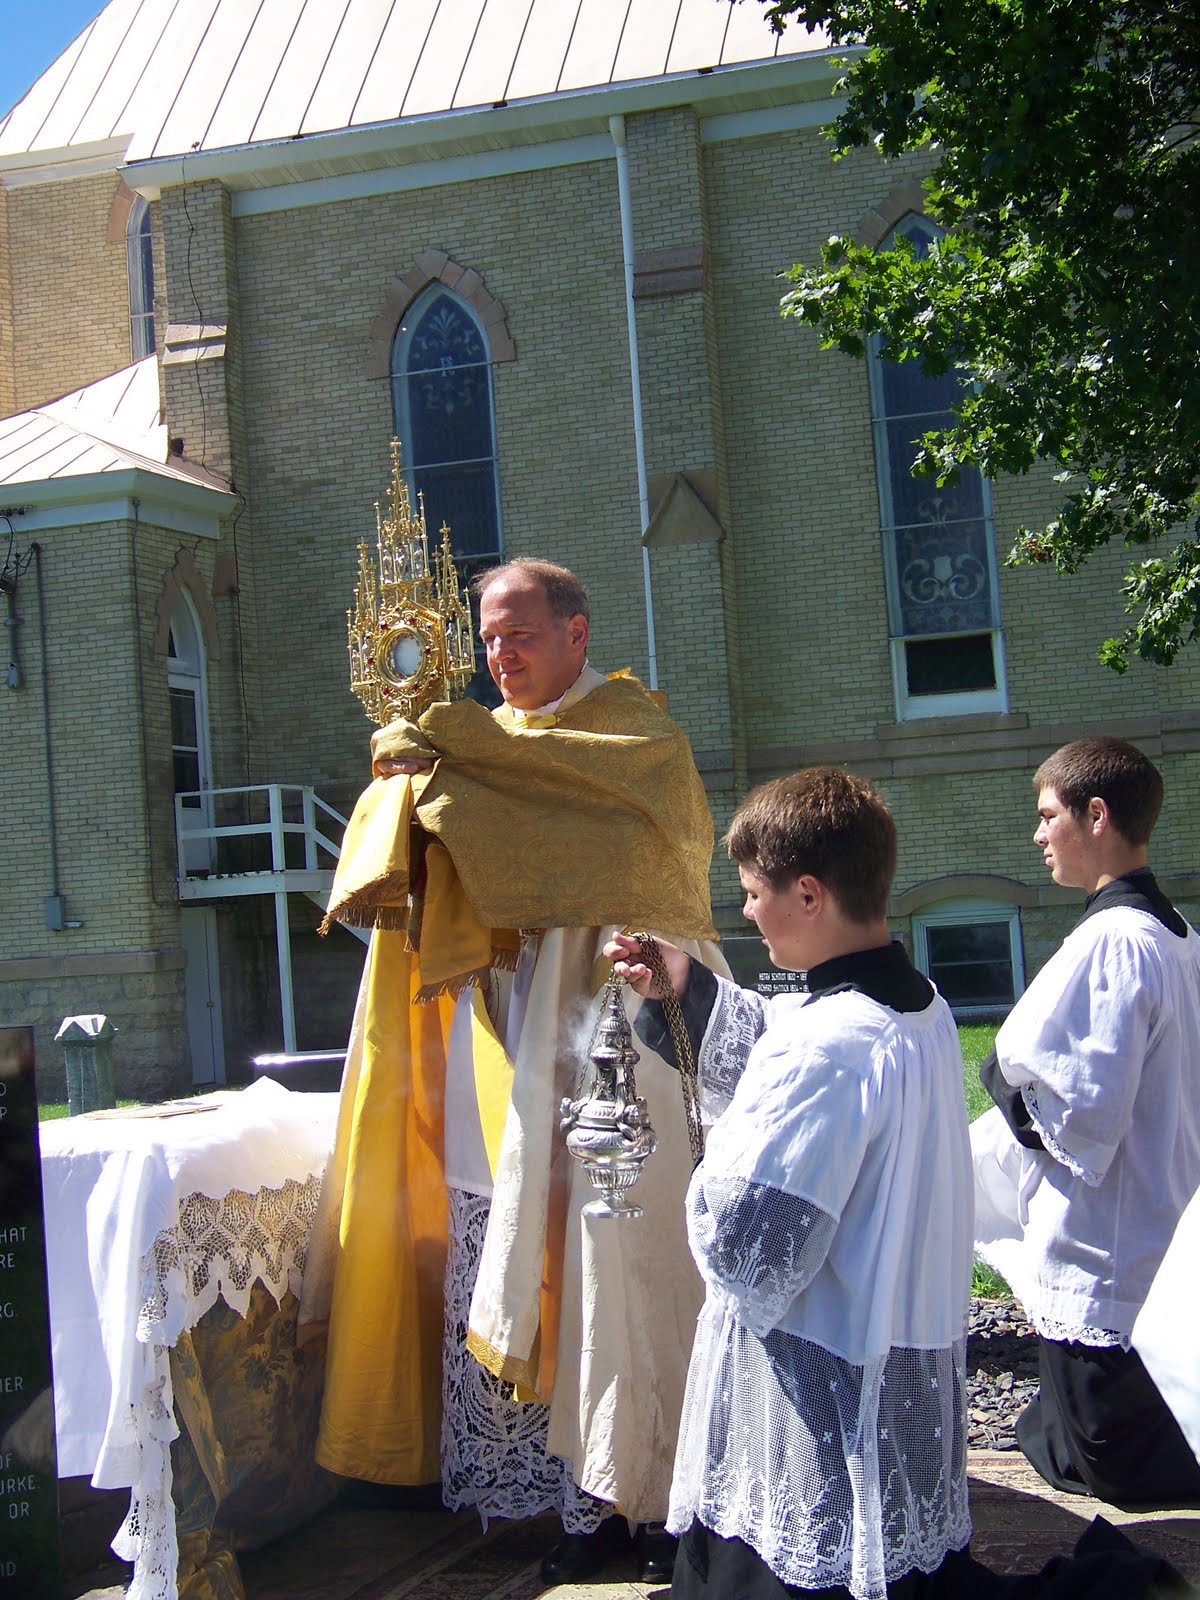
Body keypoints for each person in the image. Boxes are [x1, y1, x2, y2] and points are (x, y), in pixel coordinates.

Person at [299, 558, 724, 1583]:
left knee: (623, 1257)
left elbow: (654, 864)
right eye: (488, 640)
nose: (502, 655)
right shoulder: (486, 756)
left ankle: (662, 1492)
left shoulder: (634, 740)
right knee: (541, 1261)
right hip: (520, 1044)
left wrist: (458, 769)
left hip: (623, 1038)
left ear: (577, 632)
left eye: (520, 633)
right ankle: (574, 1502)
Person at [608, 768, 977, 1600]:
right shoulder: (918, 1001)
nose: (744, 912)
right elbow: (783, 1029)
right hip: (890, 1339)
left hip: (825, 1373)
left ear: (809, 895)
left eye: (751, 893)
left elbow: (749, 1249)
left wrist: (709, 1173)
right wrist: (685, 988)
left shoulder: (835, 1047)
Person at [972, 736, 1200, 1509]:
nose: (1038, 836)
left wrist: (997, 1075)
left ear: (1095, 814)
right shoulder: (1179, 936)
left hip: (1114, 1263)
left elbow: (1079, 1118)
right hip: (1162, 1247)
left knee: (1098, 1464)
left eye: (1047, 816)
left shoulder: (1115, 942)